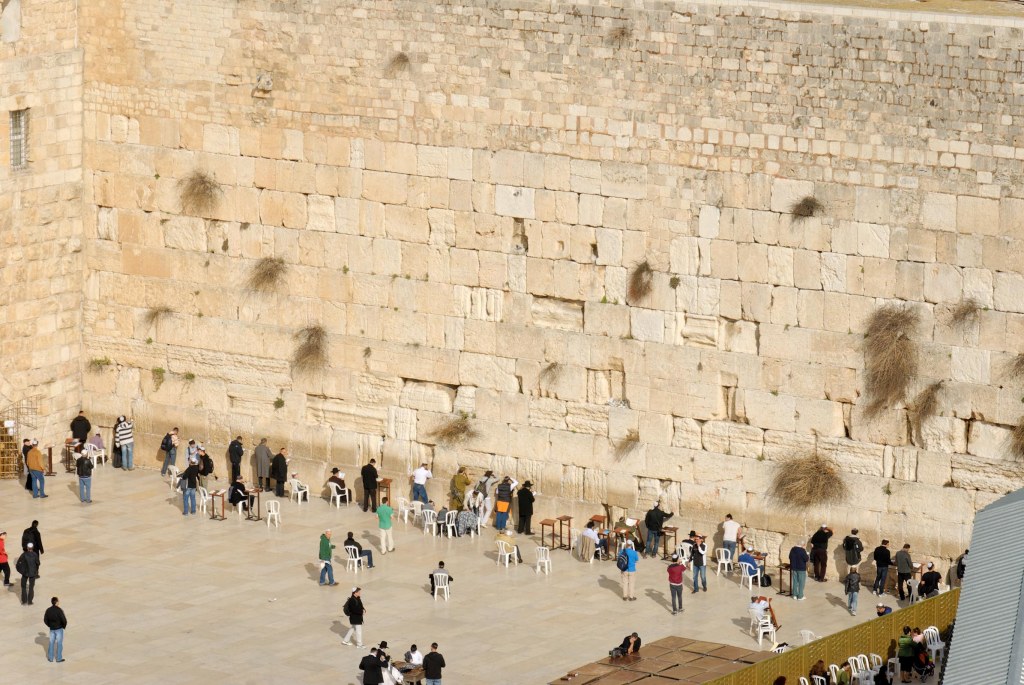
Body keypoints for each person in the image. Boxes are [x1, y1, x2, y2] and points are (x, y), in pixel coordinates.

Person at [44, 596, 67, 663]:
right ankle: (58, 658)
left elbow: (45, 620)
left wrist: (49, 625)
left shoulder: (48, 610)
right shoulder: (59, 610)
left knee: (51, 643)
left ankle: (50, 658)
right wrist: (63, 626)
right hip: (59, 629)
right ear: (56, 602)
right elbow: (64, 619)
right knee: (59, 644)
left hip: (52, 629)